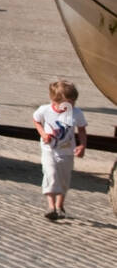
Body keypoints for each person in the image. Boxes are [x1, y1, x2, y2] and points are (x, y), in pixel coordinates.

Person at [33, 79, 87, 221]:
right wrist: (43, 134)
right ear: (55, 101)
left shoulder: (76, 113)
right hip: (49, 150)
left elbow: (81, 130)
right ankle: (51, 207)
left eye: (73, 102)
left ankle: (59, 206)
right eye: (68, 103)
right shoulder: (45, 110)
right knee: (50, 174)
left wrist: (82, 145)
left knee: (63, 180)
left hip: (67, 152)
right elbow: (36, 120)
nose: (71, 105)